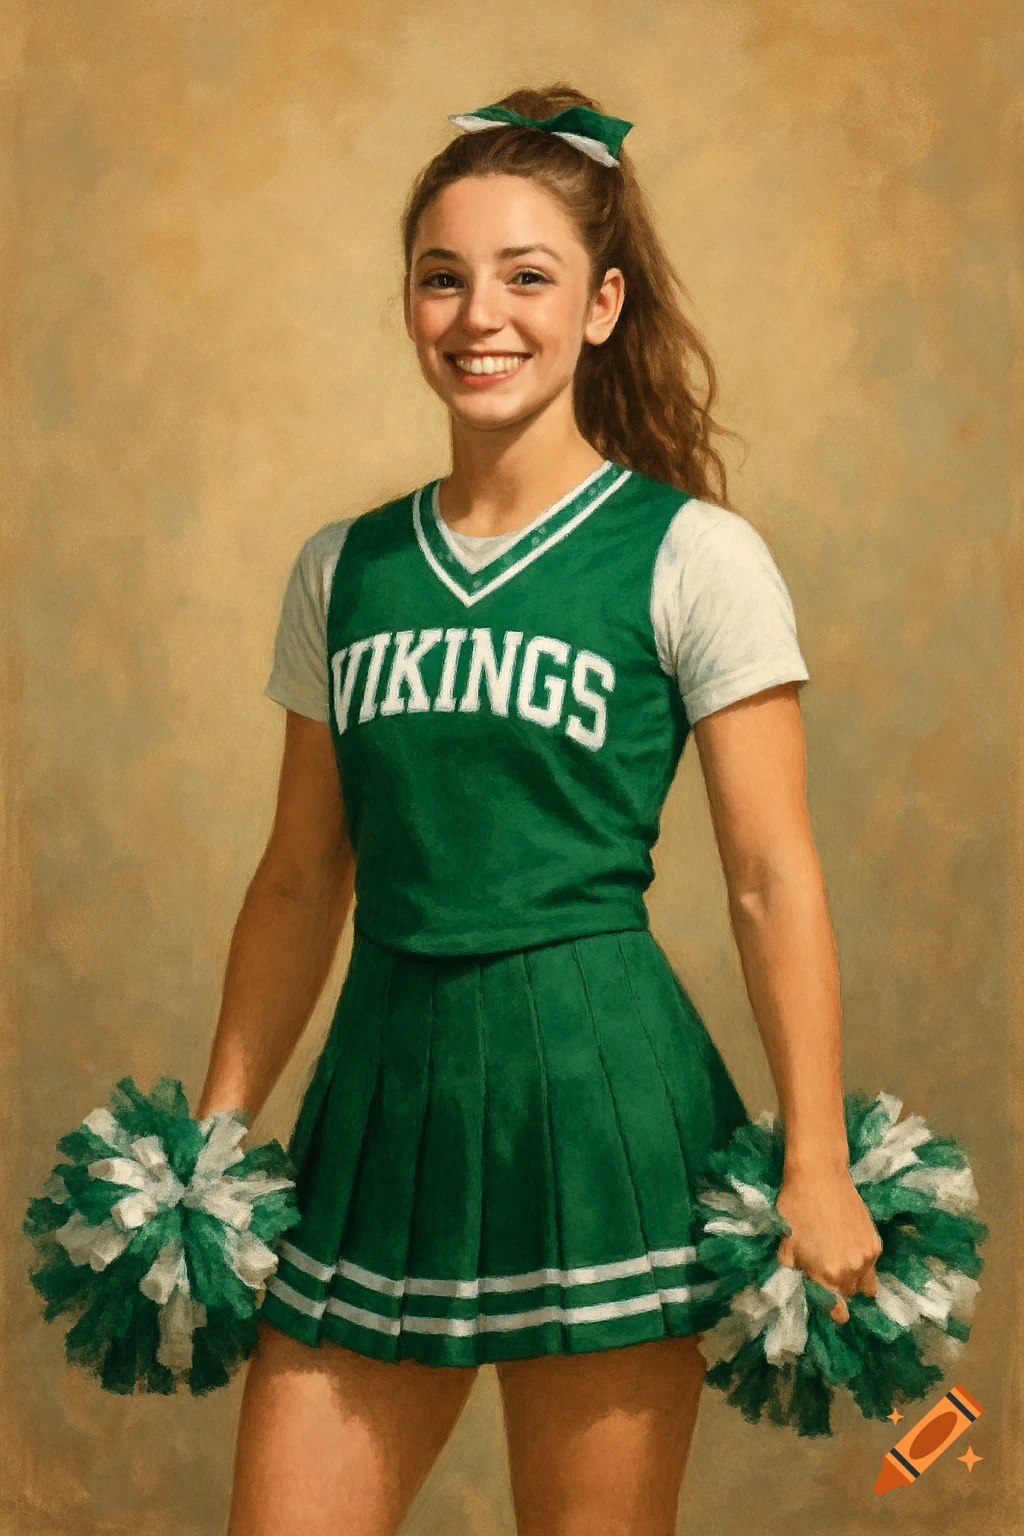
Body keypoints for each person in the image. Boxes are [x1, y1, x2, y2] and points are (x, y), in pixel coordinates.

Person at [200, 83, 882, 1536]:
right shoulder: (346, 566)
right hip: (381, 1103)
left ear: (601, 303)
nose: (478, 315)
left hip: (600, 1110)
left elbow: (770, 877)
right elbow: (298, 884)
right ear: (407, 302)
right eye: (442, 278)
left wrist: (815, 1160)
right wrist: (216, 1127)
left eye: (527, 276)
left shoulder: (694, 555)